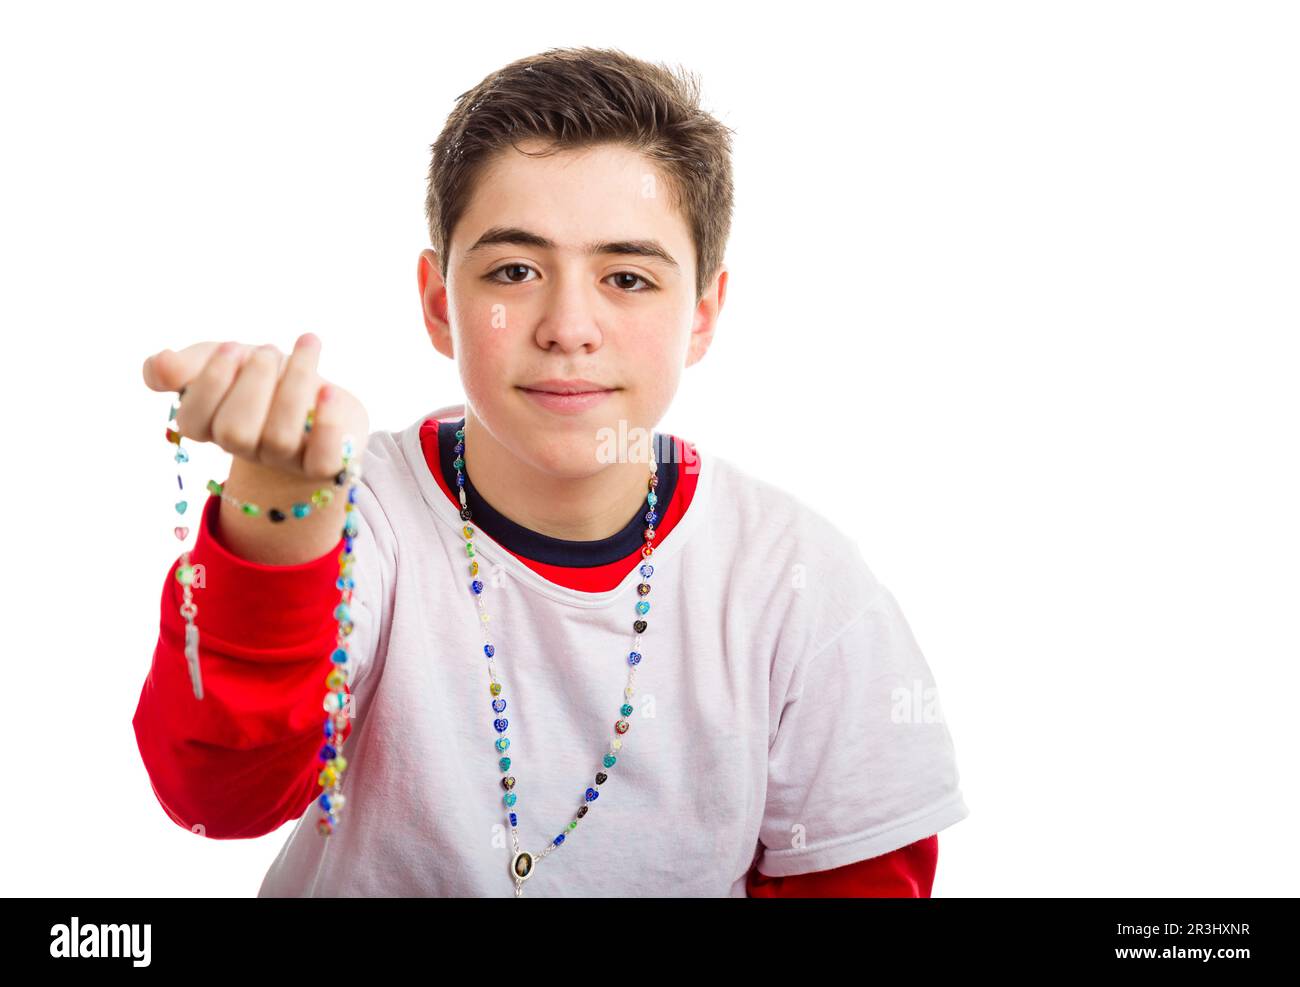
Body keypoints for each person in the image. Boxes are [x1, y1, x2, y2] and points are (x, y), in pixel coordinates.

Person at [135, 45, 969, 897]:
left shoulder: (799, 586)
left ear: (703, 317)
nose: (569, 326)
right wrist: (280, 513)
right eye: (516, 271)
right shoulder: (368, 518)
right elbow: (215, 795)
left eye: (628, 276)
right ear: (438, 304)